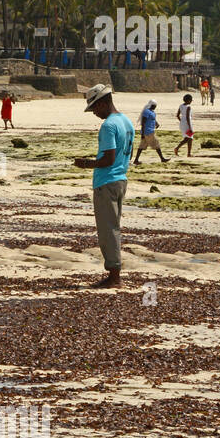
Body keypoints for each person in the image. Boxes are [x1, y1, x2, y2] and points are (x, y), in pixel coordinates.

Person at [73, 84, 134, 289]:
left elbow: (108, 158)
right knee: (113, 227)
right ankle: (114, 273)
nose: (95, 114)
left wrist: (86, 164)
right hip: (120, 179)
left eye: (95, 108)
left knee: (108, 230)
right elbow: (127, 155)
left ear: (103, 103)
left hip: (106, 181)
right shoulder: (126, 122)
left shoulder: (109, 125)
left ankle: (114, 276)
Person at [133, 99, 168, 165]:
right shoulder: (146, 112)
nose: (155, 107)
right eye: (154, 105)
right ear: (151, 105)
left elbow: (153, 119)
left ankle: (136, 160)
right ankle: (162, 158)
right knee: (156, 144)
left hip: (148, 131)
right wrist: (142, 133)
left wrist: (156, 124)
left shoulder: (153, 112)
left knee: (141, 146)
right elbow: (143, 123)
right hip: (148, 132)